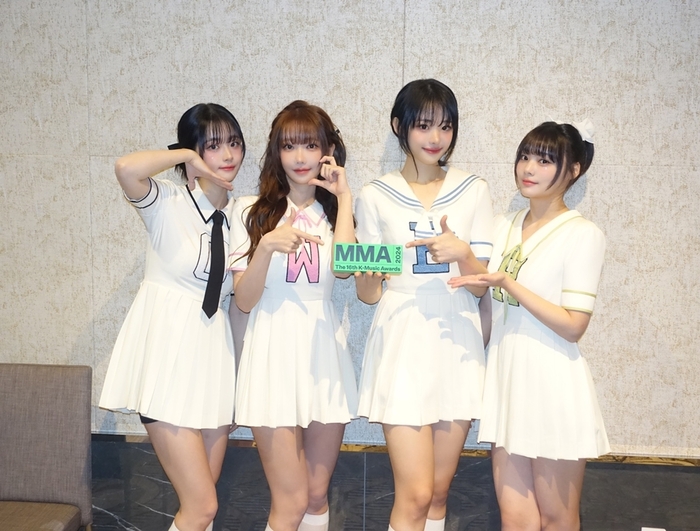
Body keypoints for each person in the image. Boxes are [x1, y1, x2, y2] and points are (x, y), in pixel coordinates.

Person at [448, 120, 610, 530]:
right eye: (525, 157)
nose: (529, 168)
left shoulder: (583, 234)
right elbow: (487, 305)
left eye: (545, 160)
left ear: (573, 170)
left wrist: (508, 283)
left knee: (557, 517)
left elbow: (574, 325)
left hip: (553, 383)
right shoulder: (503, 225)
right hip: (507, 380)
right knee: (516, 518)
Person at [354, 79, 494, 531]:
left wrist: (462, 253)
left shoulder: (474, 190)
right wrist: (369, 275)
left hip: (457, 335)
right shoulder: (375, 194)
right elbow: (367, 295)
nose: (436, 138)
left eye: (446, 127)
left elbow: (480, 287)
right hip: (403, 333)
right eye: (424, 125)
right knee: (414, 494)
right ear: (399, 126)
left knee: (437, 491)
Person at [99, 103, 245, 531]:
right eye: (212, 145)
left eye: (233, 142)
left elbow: (238, 306)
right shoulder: (166, 201)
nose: (227, 154)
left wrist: (237, 384)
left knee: (203, 507)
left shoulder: (240, 219)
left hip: (213, 365)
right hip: (166, 364)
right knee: (202, 506)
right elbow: (126, 168)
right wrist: (184, 156)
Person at [228, 100, 358, 531]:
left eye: (310, 145)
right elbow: (244, 300)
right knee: (291, 500)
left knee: (316, 496)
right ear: (276, 153)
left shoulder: (336, 213)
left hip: (324, 352)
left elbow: (345, 268)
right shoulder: (250, 210)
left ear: (327, 152)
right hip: (272, 352)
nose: (300, 157)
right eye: (289, 146)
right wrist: (266, 246)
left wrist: (344, 195)